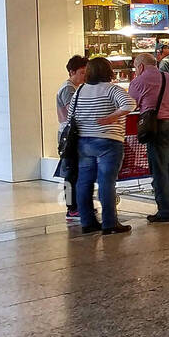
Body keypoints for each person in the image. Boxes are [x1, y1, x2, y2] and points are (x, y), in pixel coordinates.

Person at [73, 57, 136, 234]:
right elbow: (130, 103)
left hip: (84, 141)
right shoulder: (111, 89)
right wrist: (114, 116)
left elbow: (72, 114)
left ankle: (87, 222)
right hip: (109, 140)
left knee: (84, 182)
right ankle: (109, 223)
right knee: (106, 182)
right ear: (108, 71)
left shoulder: (80, 91)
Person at [129, 51, 169, 223]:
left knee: (160, 170)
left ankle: (165, 212)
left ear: (140, 66)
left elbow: (131, 104)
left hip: (159, 127)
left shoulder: (138, 81)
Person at [56, 54, 89, 223]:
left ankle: (76, 206)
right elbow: (73, 112)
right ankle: (72, 208)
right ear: (72, 72)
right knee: (71, 173)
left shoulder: (75, 88)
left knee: (74, 172)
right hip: (69, 135)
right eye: (82, 72)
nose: (84, 76)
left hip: (73, 134)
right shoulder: (68, 89)